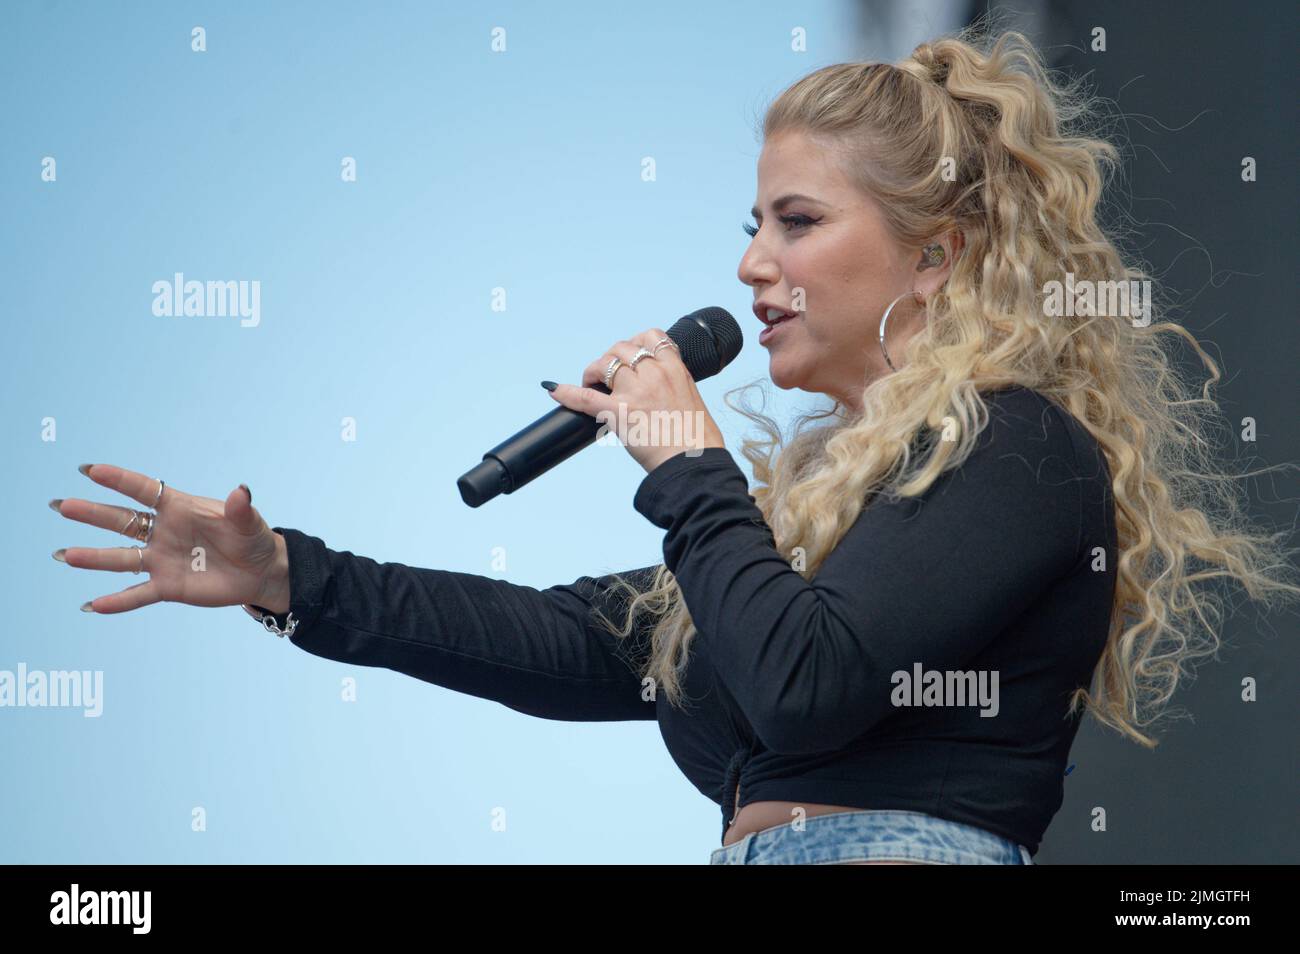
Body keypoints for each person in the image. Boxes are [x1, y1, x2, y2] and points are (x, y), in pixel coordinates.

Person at [50, 28, 1300, 865]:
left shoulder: (1020, 450)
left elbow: (809, 689)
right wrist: (285, 578)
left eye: (796, 222)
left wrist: (691, 471)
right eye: (751, 225)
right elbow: (576, 645)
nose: (751, 265)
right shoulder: (811, 516)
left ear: (940, 249)